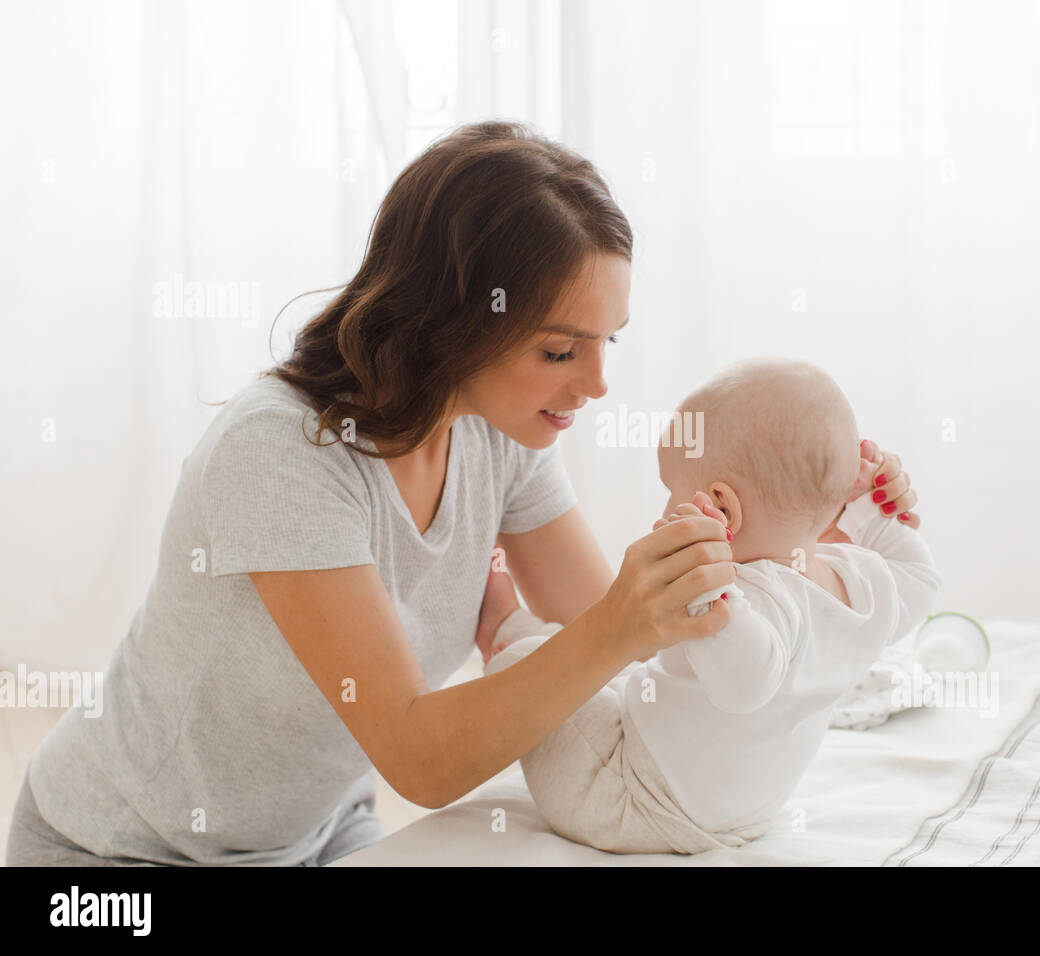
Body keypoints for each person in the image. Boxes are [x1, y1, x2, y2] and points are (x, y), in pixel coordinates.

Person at [4, 120, 737, 866]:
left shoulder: (501, 431)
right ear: (453, 318)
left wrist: (777, 563)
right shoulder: (282, 452)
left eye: (606, 340)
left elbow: (618, 643)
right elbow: (420, 758)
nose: (597, 383)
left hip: (319, 833)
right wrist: (618, 625)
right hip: (115, 852)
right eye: (558, 349)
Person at [481, 358, 936, 853]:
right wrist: (874, 513)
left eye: (669, 489)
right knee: (614, 674)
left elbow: (746, 682)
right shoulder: (857, 582)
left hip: (632, 798)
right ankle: (533, 635)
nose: (664, 508)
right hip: (746, 810)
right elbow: (920, 579)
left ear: (721, 507)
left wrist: (703, 583)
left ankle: (506, 629)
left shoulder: (753, 601)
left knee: (527, 661)